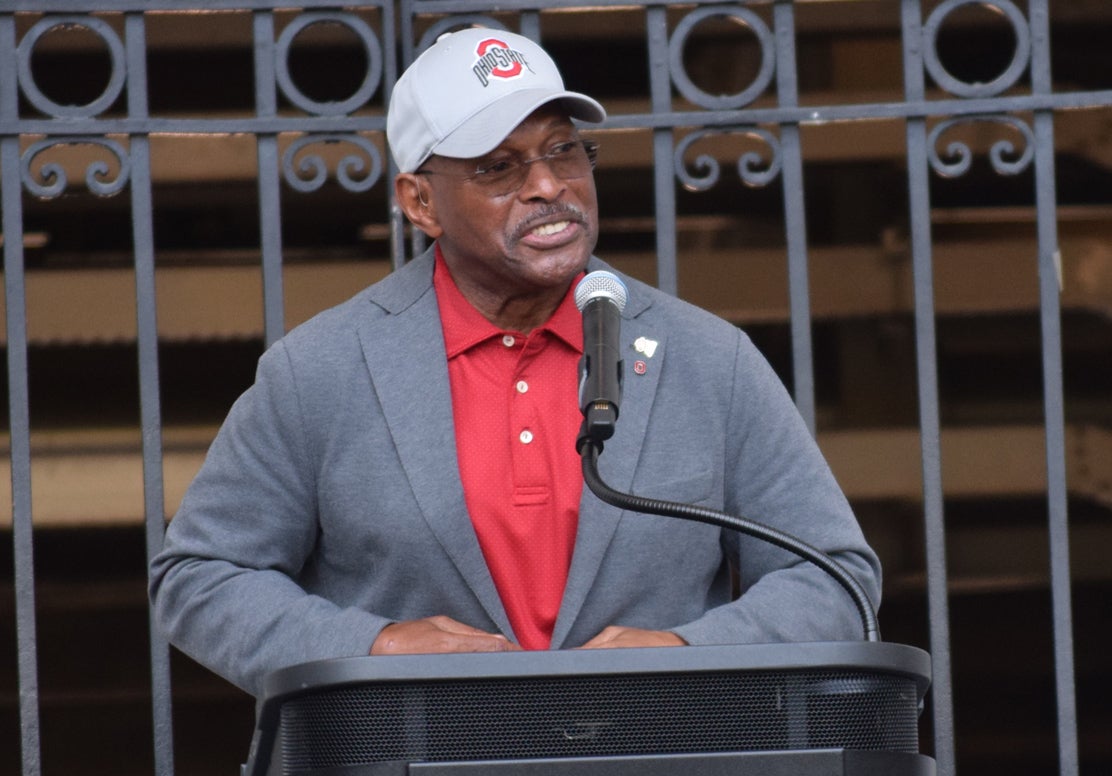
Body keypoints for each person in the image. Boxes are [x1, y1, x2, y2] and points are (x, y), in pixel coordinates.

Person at [149, 28, 881, 697]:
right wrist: (371, 645)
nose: (547, 185)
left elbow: (833, 579)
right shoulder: (321, 372)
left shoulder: (707, 358)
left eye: (562, 150)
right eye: (498, 166)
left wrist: (685, 650)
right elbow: (201, 577)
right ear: (420, 203)